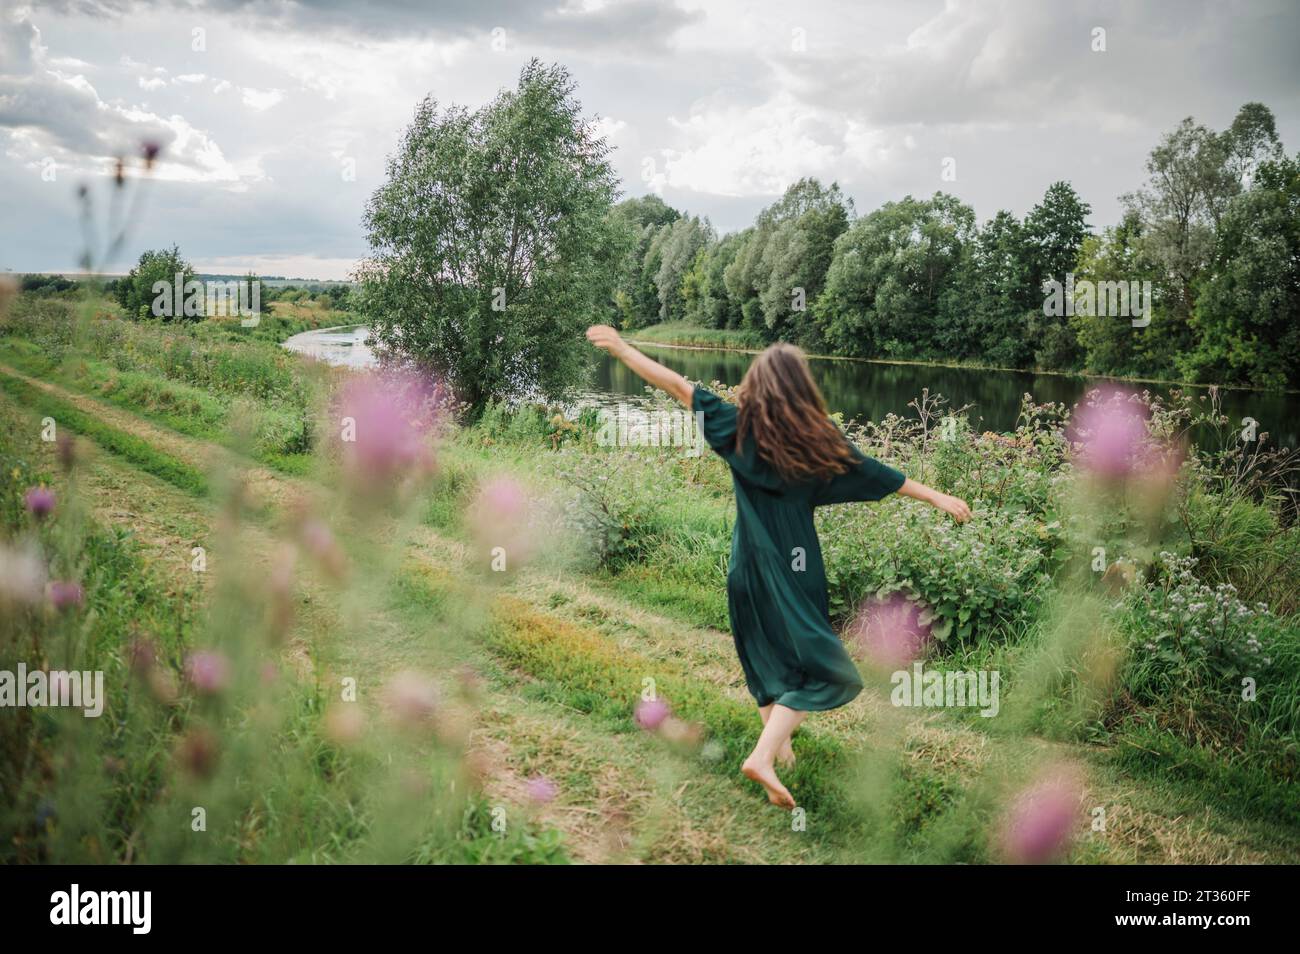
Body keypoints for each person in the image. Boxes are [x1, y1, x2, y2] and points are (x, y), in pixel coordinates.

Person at [587, 325, 972, 808]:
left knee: (765, 659)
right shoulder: (820, 445)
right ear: (803, 389)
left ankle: (780, 751)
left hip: (745, 569)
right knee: (828, 672)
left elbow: (677, 386)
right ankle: (763, 756)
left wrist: (623, 348)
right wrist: (937, 496)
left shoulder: (736, 429)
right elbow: (877, 474)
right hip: (795, 571)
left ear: (756, 385)